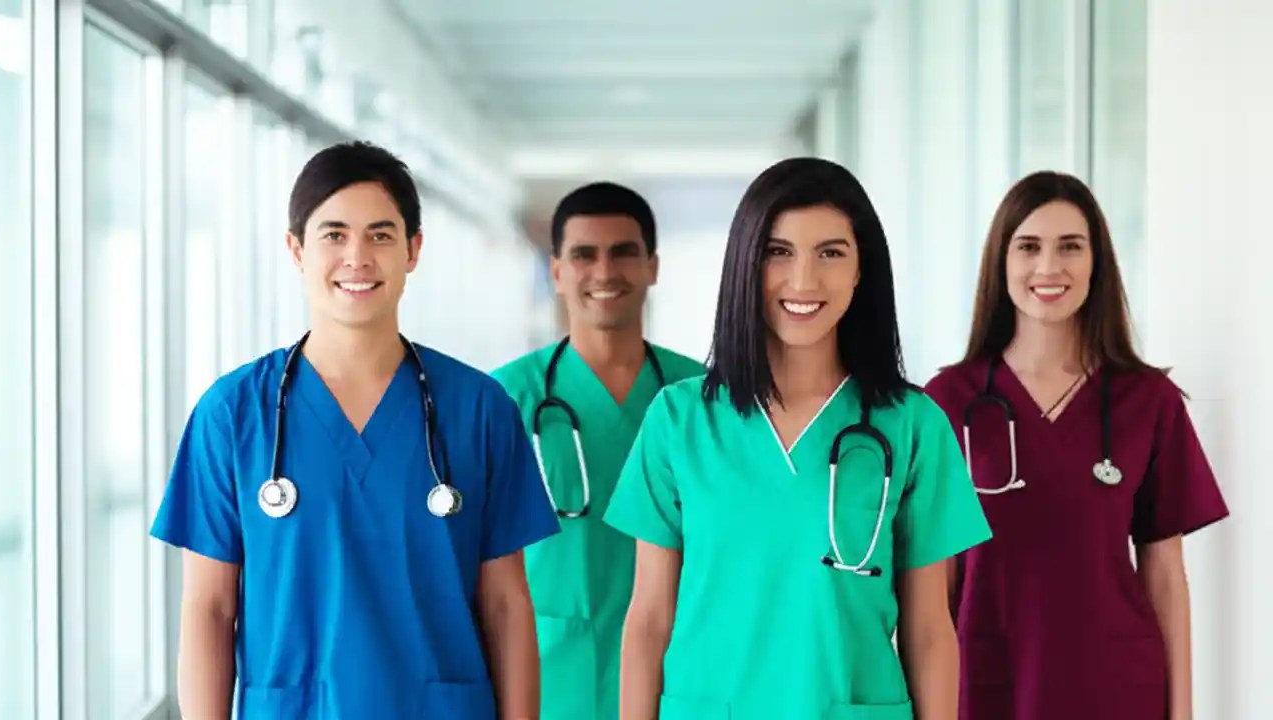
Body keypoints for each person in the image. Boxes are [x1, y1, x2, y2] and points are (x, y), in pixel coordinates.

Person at [150, 141, 560, 719]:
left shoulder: (478, 410)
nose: (357, 257)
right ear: (296, 250)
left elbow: (506, 606)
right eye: (334, 234)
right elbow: (209, 609)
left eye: (381, 235)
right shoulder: (233, 414)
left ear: (413, 250)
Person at [605, 157, 992, 719]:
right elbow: (648, 620)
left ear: (861, 270)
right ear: (745, 264)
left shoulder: (913, 425)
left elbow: (930, 630)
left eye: (830, 253)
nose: (804, 280)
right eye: (778, 252)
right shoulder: (679, 421)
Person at [924, 171, 1230, 720]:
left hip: (1115, 691)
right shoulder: (949, 401)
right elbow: (934, 589)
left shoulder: (1148, 402)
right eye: (1028, 247)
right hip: (987, 686)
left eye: (1070, 247)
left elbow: (1165, 578)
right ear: (1001, 263)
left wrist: (1182, 713)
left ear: (1097, 263)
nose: (1049, 267)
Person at [492, 182, 706, 720]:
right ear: (556, 271)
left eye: (624, 253)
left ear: (653, 266)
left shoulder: (702, 399)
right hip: (547, 684)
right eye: (584, 255)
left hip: (677, 678)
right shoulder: (505, 398)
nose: (605, 271)